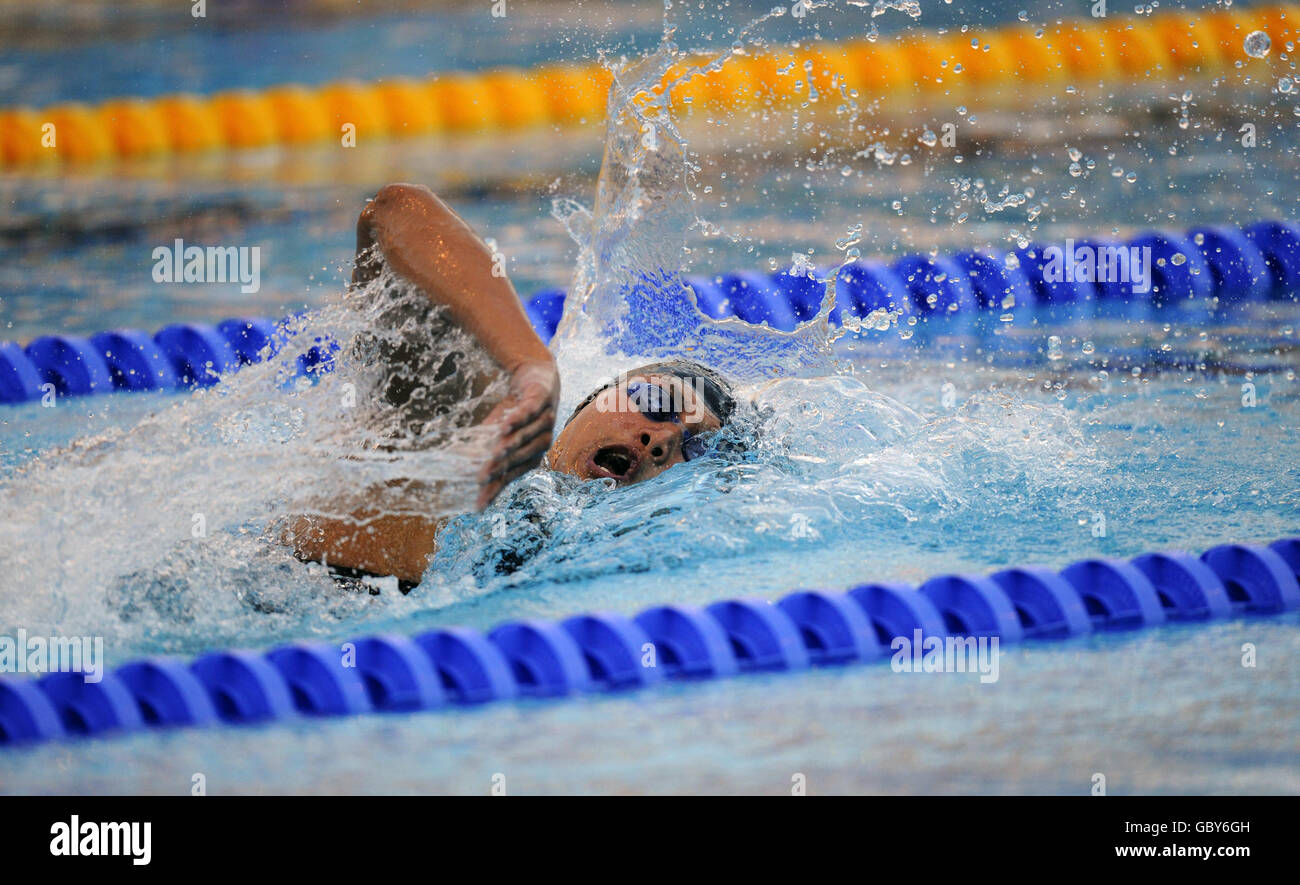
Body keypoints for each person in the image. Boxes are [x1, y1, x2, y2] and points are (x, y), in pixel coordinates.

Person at [287, 183, 738, 587]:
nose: (661, 438)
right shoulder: (465, 434)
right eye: (656, 401)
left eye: (694, 450)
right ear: (591, 402)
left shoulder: (600, 573)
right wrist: (531, 368)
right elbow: (394, 210)